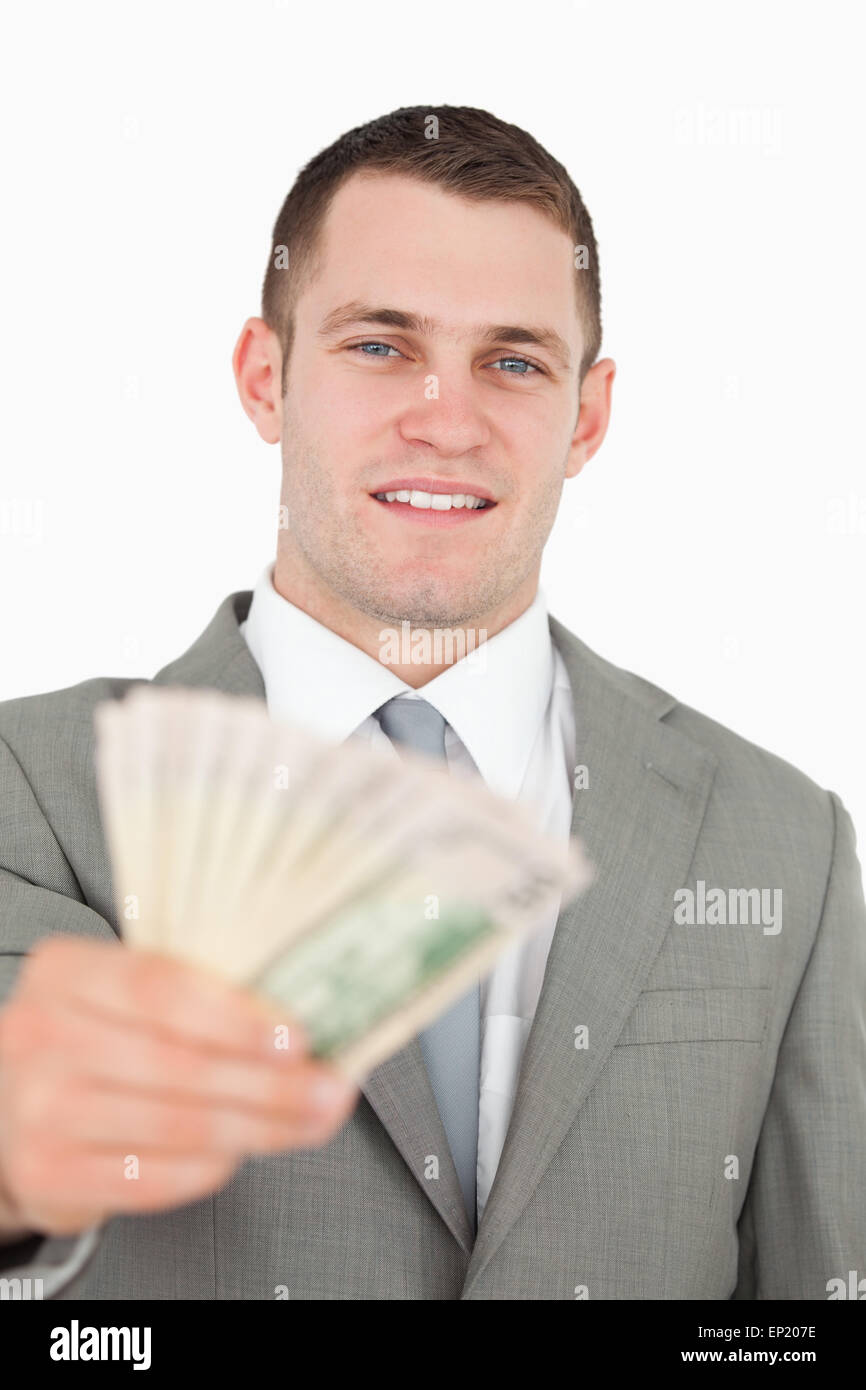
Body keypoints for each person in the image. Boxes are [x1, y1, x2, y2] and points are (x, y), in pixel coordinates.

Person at [0, 104, 863, 1301]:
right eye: (378, 345)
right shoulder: (23, 791)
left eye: (512, 361)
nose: (445, 420)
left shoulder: (783, 838)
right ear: (265, 378)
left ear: (588, 416)